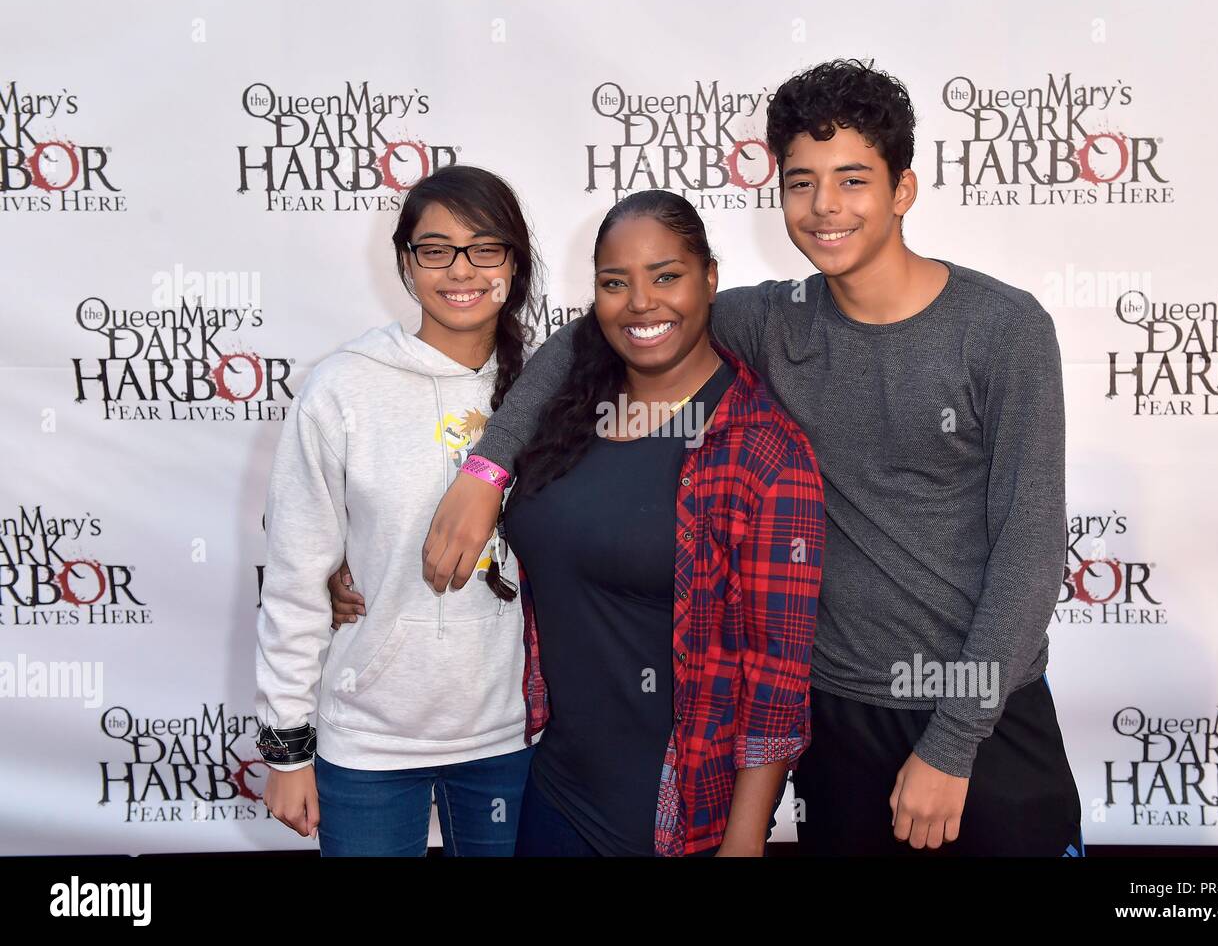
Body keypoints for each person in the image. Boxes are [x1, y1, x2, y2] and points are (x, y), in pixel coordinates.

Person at [345, 57, 1085, 857]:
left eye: (852, 181)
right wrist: (484, 474)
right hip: (833, 717)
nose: (824, 207)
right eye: (801, 182)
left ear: (902, 191)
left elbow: (1031, 547)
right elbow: (596, 333)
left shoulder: (1003, 330)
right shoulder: (775, 320)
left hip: (979, 714)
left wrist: (952, 742)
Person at [504, 190, 825, 856]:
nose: (641, 302)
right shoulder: (569, 406)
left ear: (710, 278)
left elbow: (778, 677)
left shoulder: (761, 450)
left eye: (666, 276)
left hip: (668, 824)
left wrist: (743, 840)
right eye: (615, 283)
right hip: (552, 794)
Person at [253, 165, 540, 856]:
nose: (460, 270)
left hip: (512, 734)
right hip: (369, 739)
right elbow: (294, 578)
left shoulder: (548, 388)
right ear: (406, 264)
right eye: (435, 249)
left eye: (484, 247)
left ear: (514, 261)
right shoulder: (341, 388)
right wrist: (287, 749)